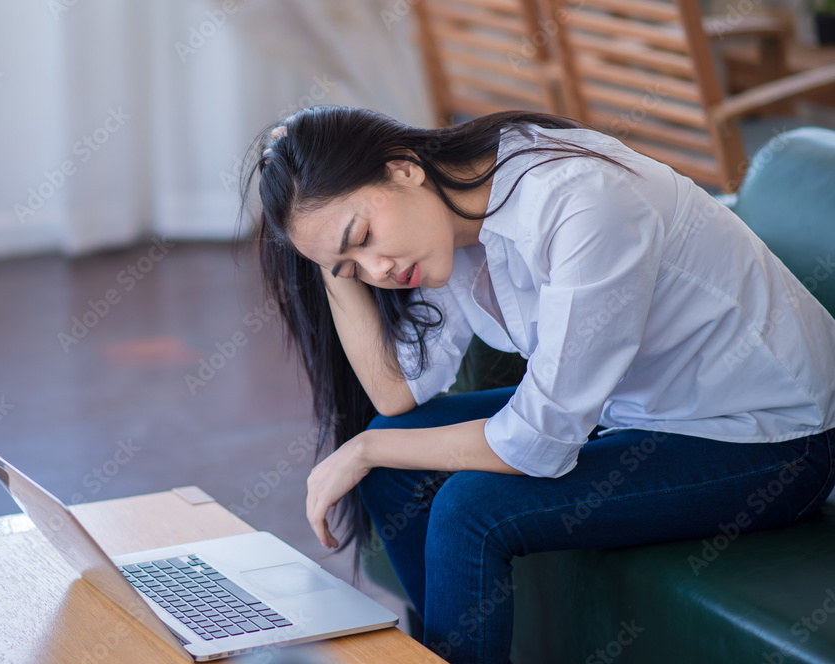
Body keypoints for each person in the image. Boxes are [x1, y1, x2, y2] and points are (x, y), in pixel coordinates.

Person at [236, 105, 835, 664]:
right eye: (352, 268)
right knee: (394, 460)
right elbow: (397, 396)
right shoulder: (448, 214)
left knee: (467, 510)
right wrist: (330, 263)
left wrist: (363, 449)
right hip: (639, 413)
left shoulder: (581, 205)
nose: (378, 273)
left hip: (772, 439)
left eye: (362, 237)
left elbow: (538, 443)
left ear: (403, 168)